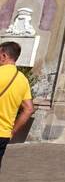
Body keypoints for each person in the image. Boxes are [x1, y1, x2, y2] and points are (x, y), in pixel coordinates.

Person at [0, 41, 33, 172]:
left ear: (3, 56)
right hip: (3, 134)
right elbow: (29, 109)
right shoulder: (22, 79)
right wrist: (13, 131)